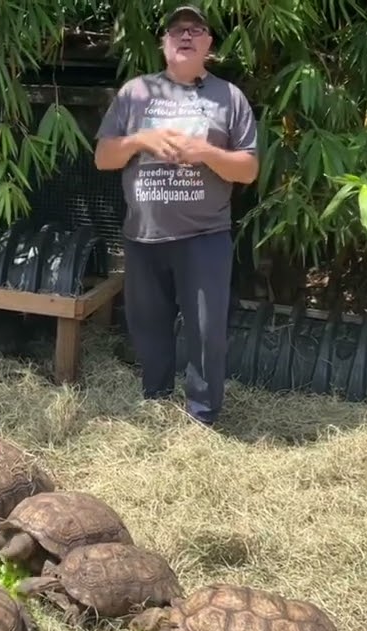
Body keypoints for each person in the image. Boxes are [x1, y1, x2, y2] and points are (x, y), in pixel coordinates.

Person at [94, 4, 259, 427]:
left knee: (206, 333)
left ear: (209, 45)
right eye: (176, 30)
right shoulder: (135, 93)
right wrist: (141, 139)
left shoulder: (229, 97)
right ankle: (155, 402)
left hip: (203, 236)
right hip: (143, 236)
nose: (186, 35)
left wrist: (205, 152)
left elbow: (249, 169)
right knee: (148, 328)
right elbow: (103, 157)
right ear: (162, 44)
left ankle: (202, 417)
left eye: (196, 30)